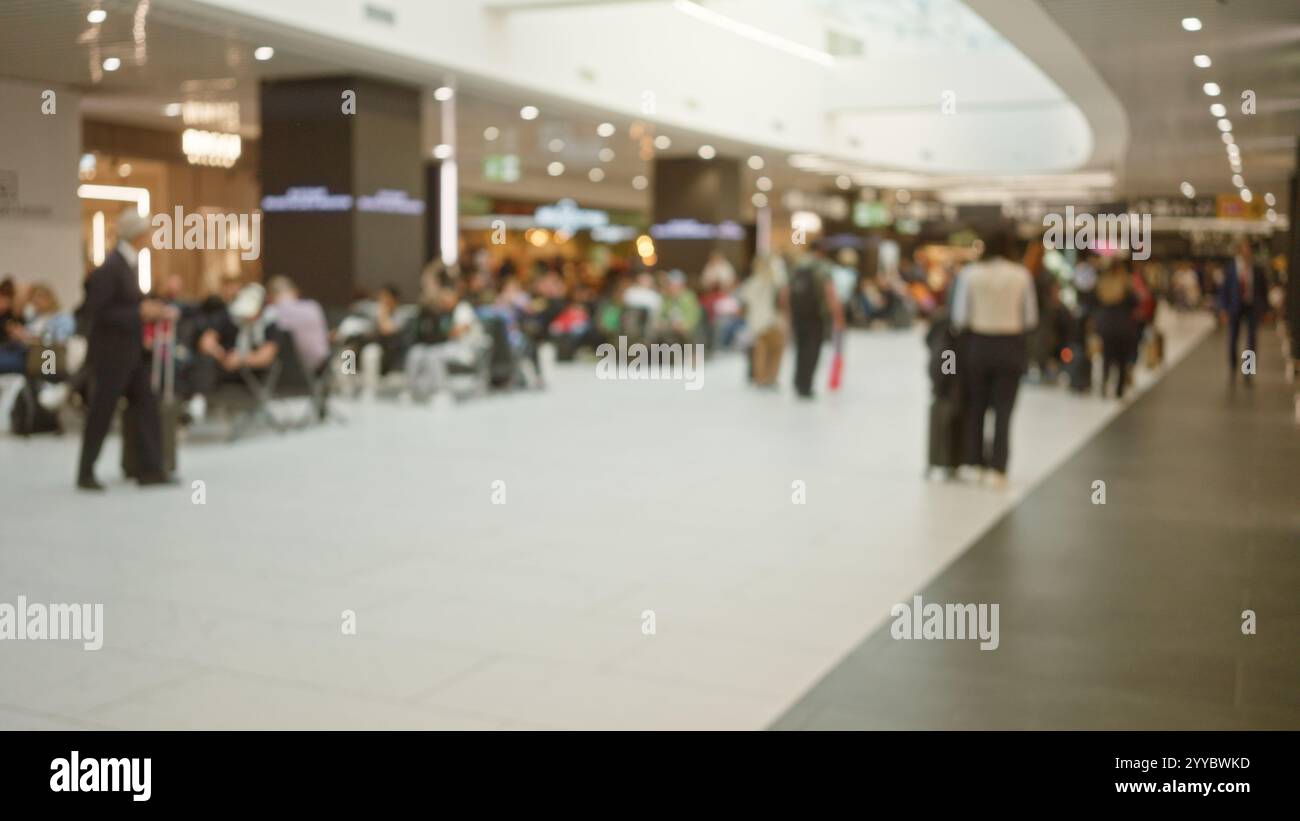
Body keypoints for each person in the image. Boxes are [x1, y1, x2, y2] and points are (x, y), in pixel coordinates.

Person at [76, 209, 177, 491]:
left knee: (146, 405)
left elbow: (123, 304)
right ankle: (85, 472)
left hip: (130, 353)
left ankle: (151, 469)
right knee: (102, 412)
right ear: (139, 235)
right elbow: (99, 312)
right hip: (111, 355)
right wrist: (140, 312)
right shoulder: (111, 267)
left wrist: (150, 308)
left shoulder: (125, 264)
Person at [949, 230, 1037, 488]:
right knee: (1004, 409)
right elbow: (1030, 318)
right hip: (1010, 346)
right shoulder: (1021, 275)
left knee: (975, 405)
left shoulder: (970, 274)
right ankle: (998, 467)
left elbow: (959, 317)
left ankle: (973, 462)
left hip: (978, 345)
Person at [787, 245, 845, 399]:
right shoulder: (822, 267)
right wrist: (838, 315)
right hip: (816, 315)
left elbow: (786, 291)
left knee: (800, 349)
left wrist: (789, 314)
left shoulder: (798, 266)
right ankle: (806, 386)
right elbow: (830, 291)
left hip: (799, 315)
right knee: (812, 350)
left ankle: (798, 382)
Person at [1220, 238, 1268, 384]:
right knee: (1234, 338)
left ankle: (1248, 372)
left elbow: (1263, 290)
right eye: (1244, 248)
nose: (1247, 252)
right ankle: (1233, 367)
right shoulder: (1231, 268)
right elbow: (1225, 290)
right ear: (1240, 251)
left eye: (1249, 249)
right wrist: (1223, 309)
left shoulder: (1257, 268)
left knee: (1251, 340)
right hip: (1235, 307)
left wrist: (1265, 308)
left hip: (1251, 306)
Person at [738, 255, 788, 387]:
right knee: (776, 351)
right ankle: (771, 377)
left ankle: (760, 377)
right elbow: (782, 301)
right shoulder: (773, 282)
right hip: (771, 321)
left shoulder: (750, 283)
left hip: (756, 323)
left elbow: (744, 306)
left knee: (761, 350)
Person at [1093, 259, 1139, 399]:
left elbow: (1096, 303)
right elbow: (1134, 302)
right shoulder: (1125, 284)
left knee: (1107, 358)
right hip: (1123, 327)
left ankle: (1104, 385)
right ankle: (1119, 390)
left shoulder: (1102, 283)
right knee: (1121, 360)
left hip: (1107, 327)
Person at [656, 270, 703, 344]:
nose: (671, 287)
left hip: (686, 330)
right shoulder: (666, 298)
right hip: (670, 328)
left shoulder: (688, 297)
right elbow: (662, 314)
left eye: (673, 285)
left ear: (681, 285)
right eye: (669, 284)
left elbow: (693, 315)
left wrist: (684, 325)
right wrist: (661, 322)